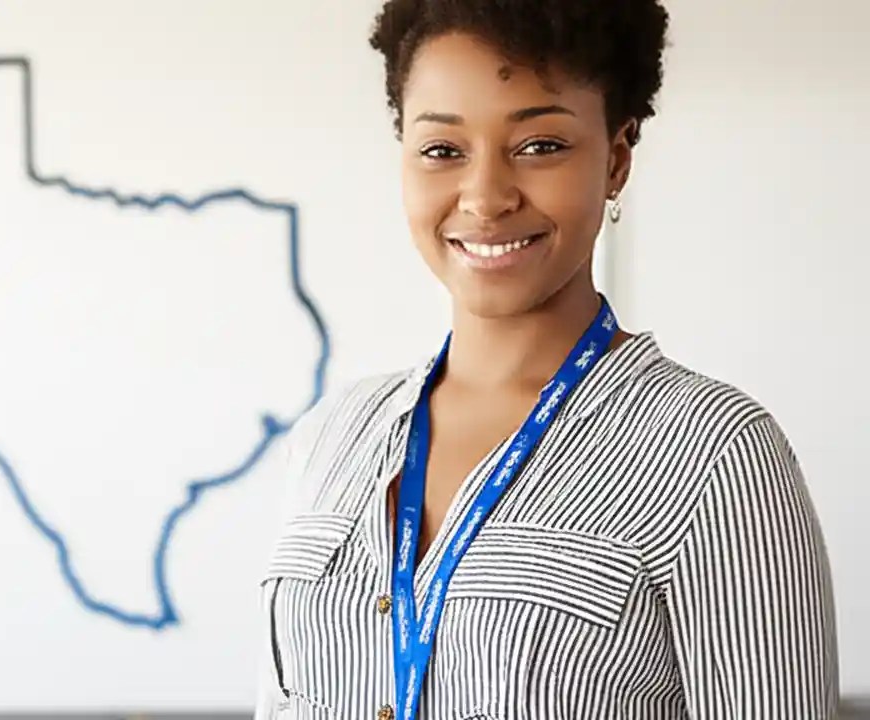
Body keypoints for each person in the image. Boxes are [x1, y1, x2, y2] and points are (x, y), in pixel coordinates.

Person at [253, 0, 839, 718]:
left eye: (540, 146)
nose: (487, 196)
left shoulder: (716, 454)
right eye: (443, 151)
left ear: (617, 157)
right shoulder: (329, 437)